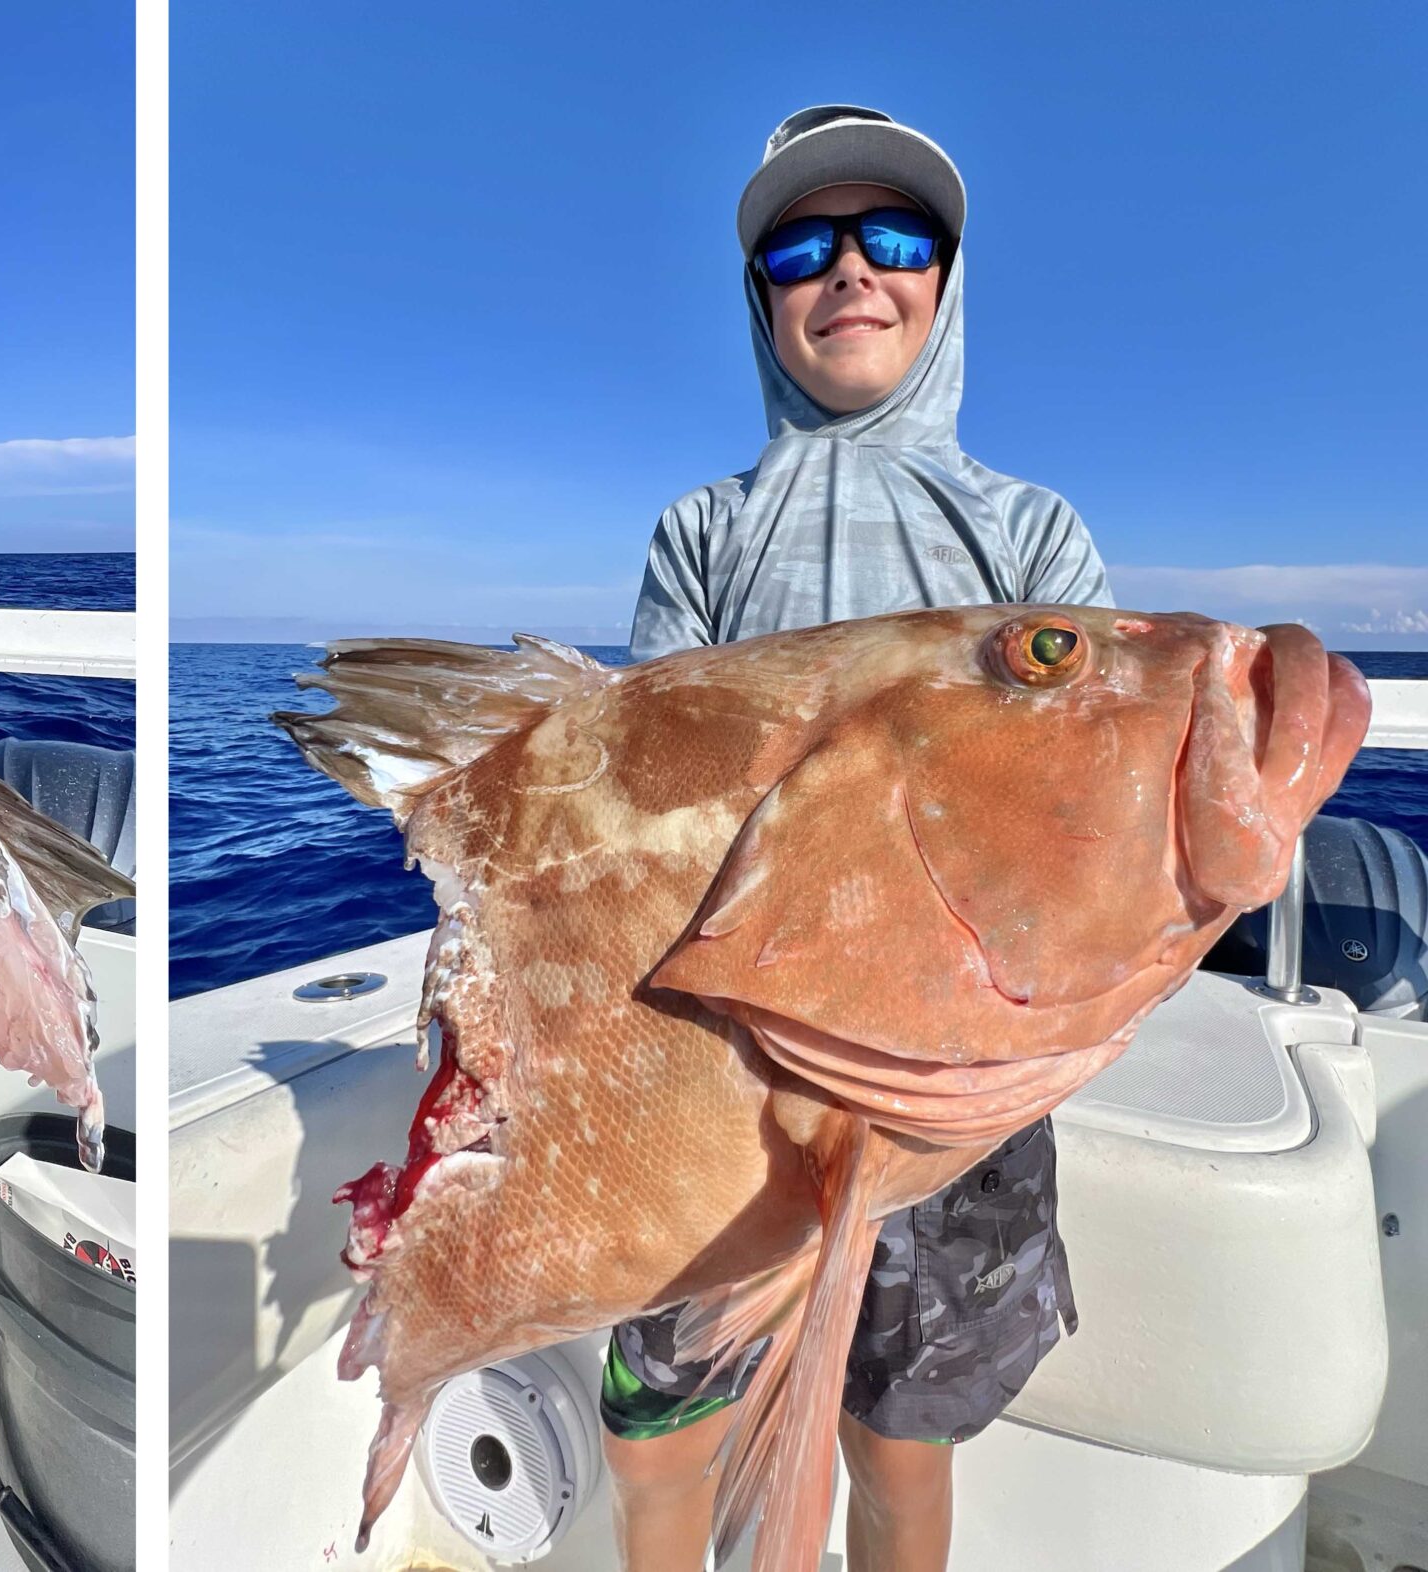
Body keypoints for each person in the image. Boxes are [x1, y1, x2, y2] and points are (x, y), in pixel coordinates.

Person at [611, 105, 1114, 1572]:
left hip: (962, 1099)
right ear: (759, 296)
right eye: (799, 245)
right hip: (720, 1082)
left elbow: (1090, 818)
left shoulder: (1034, 538)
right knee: (668, 1443)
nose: (850, 272)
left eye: (895, 239)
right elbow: (640, 796)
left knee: (901, 1450)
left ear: (948, 283)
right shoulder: (700, 532)